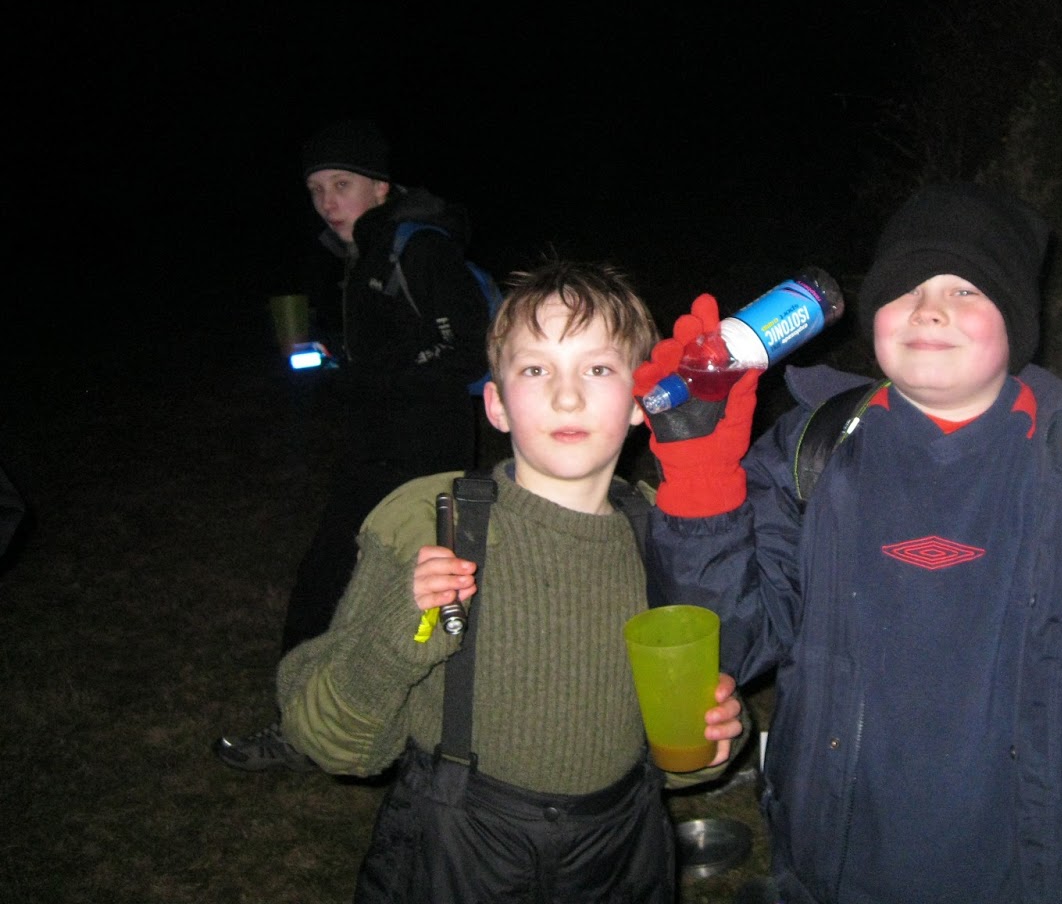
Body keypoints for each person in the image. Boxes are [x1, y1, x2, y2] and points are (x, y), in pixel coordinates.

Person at [635, 181, 1062, 904]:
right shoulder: (813, 450)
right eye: (907, 288)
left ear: (1016, 320)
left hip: (1036, 871)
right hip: (839, 868)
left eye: (965, 291)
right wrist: (700, 475)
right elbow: (732, 648)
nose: (930, 308)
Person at [277, 260, 745, 903]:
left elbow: (677, 761)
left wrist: (715, 736)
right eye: (535, 369)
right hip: (460, 856)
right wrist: (401, 627)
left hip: (619, 857)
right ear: (496, 404)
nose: (568, 395)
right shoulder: (429, 521)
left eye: (599, 368)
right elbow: (326, 740)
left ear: (643, 401)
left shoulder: (664, 539)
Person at [216, 119, 493, 772]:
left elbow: (465, 346)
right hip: (376, 451)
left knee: (353, 588)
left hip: (420, 458)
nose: (327, 201)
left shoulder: (417, 248)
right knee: (366, 589)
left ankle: (315, 729)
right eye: (315, 189)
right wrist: (333, 357)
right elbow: (394, 348)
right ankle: (336, 724)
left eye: (341, 184)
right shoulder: (366, 256)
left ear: (380, 188)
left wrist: (379, 375)